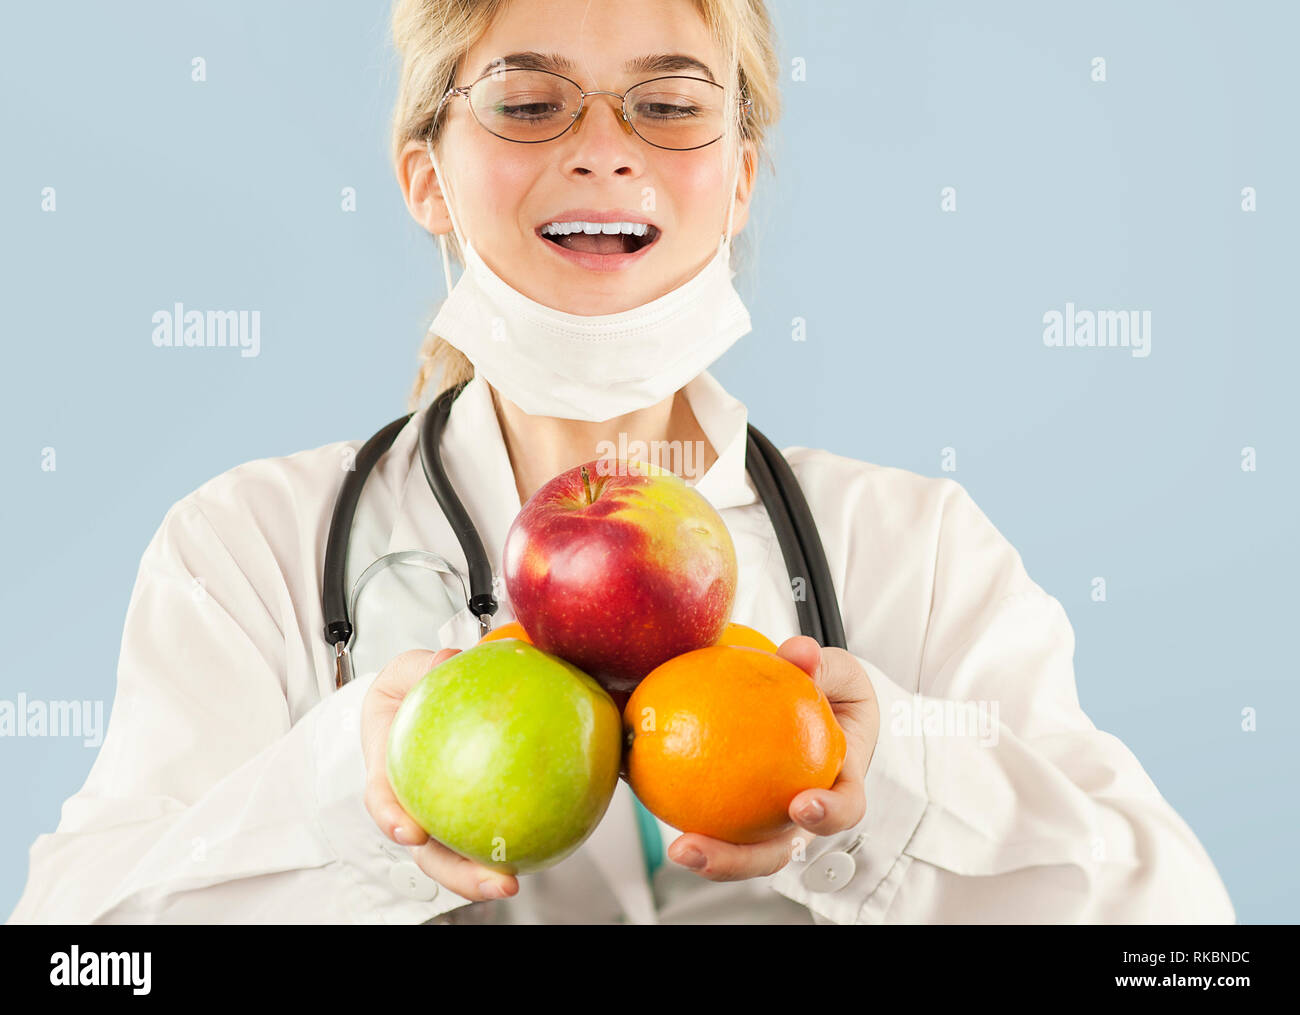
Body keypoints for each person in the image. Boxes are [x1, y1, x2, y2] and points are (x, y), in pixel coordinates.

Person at [8, 0, 1235, 926]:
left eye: (669, 102)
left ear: (740, 176)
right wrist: (354, 808)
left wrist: (892, 788)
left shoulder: (913, 548)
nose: (603, 149)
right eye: (529, 103)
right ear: (424, 177)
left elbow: (1184, 940)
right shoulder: (253, 548)